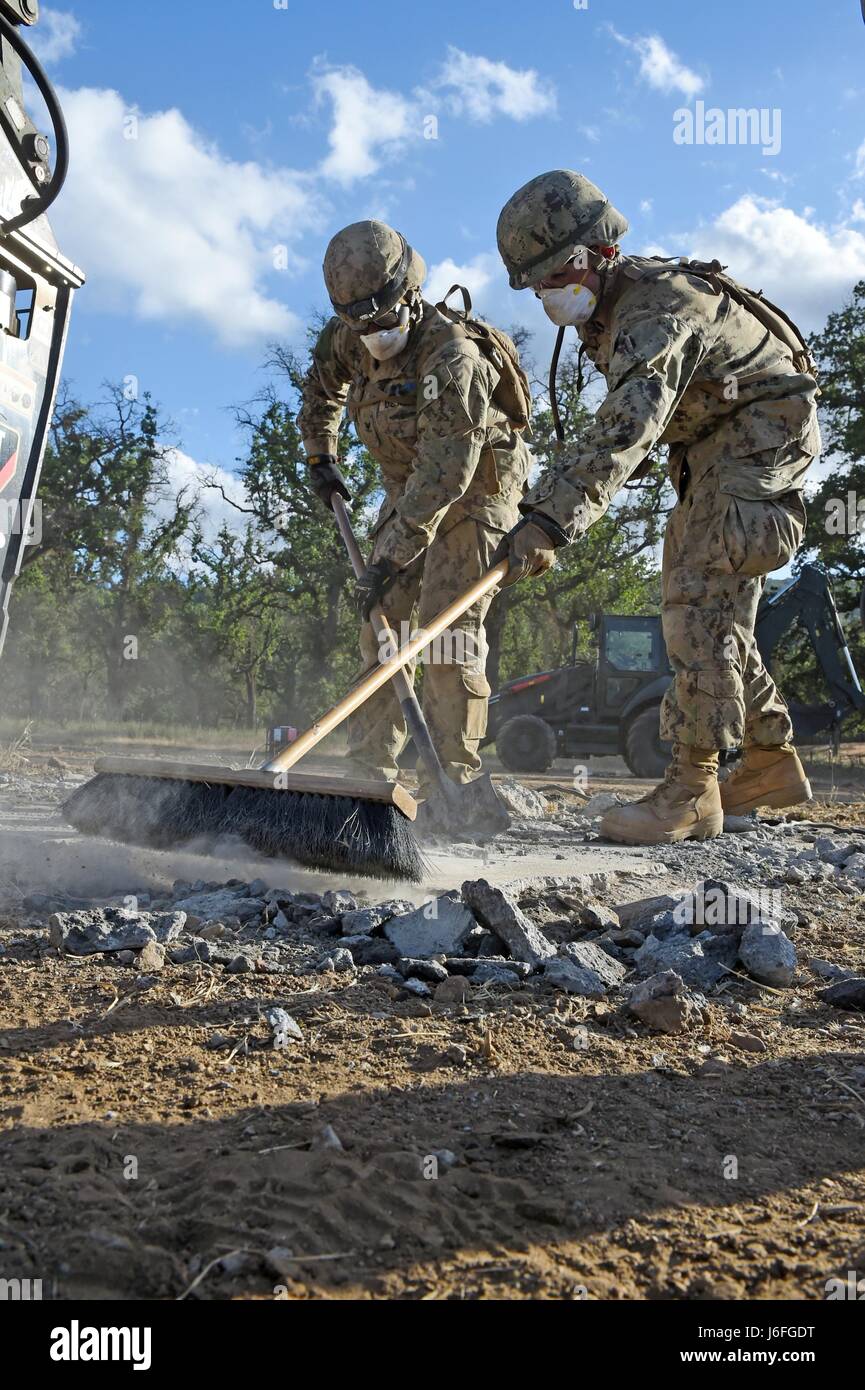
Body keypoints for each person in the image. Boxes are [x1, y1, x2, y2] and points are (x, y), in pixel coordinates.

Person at [494, 170, 819, 844]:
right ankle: (765, 762)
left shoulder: (656, 308)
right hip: (716, 447)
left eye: (557, 274)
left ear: (599, 250)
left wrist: (549, 518)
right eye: (537, 286)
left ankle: (692, 788)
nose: (549, 294)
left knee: (695, 596)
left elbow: (627, 422)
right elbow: (641, 422)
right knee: (712, 606)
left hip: (758, 440)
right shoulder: (612, 314)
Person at [298, 219, 532, 794]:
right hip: (408, 493)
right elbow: (320, 388)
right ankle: (369, 777)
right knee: (384, 631)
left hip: (476, 493)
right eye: (359, 324)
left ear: (409, 292)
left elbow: (447, 472)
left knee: (446, 633)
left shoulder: (452, 355)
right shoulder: (347, 334)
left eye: (382, 319)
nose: (373, 334)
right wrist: (320, 456)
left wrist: (390, 556)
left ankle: (449, 782)